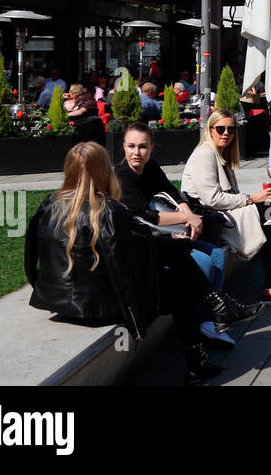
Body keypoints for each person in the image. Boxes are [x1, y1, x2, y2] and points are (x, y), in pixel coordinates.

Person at [25, 141, 258, 384]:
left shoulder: (49, 204)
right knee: (180, 282)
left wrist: (41, 288)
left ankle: (217, 305)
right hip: (97, 306)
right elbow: (124, 266)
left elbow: (31, 258)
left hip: (56, 299)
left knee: (169, 250)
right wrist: (136, 321)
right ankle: (202, 347)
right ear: (104, 170)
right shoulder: (108, 210)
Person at [113, 122, 261, 349]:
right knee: (202, 261)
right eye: (131, 146)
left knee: (217, 256)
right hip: (143, 240)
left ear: (151, 148)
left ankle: (210, 321)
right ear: (123, 147)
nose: (136, 152)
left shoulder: (150, 166)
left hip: (163, 233)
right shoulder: (123, 177)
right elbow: (145, 216)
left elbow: (173, 193)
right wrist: (186, 219)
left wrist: (191, 215)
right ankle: (209, 318)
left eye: (142, 147)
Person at [182, 108, 271, 307]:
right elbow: (212, 199)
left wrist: (254, 200)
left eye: (231, 130)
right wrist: (252, 199)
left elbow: (227, 196)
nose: (226, 133)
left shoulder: (220, 154)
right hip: (210, 219)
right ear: (210, 130)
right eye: (220, 129)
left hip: (222, 214)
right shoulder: (204, 154)